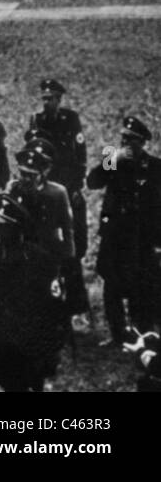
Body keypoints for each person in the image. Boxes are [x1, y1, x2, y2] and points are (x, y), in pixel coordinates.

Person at [0, 145, 75, 392]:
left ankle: (44, 367)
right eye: (22, 172)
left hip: (47, 263)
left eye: (31, 175)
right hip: (19, 262)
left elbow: (66, 229)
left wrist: (66, 263)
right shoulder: (13, 189)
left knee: (47, 317)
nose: (25, 178)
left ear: (43, 173)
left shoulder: (57, 193)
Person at [86, 115, 161, 346]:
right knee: (112, 284)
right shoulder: (113, 158)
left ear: (142, 142)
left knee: (142, 284)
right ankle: (117, 334)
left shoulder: (155, 166)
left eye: (131, 139)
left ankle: (142, 335)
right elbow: (93, 181)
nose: (126, 143)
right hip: (115, 235)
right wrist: (112, 159)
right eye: (123, 138)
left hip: (141, 236)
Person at [25, 78, 90, 323]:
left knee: (71, 249)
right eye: (44, 98)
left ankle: (77, 306)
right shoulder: (37, 120)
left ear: (59, 99)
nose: (47, 102)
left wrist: (76, 186)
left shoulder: (70, 119)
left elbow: (80, 155)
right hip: (45, 191)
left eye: (51, 98)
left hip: (68, 189)